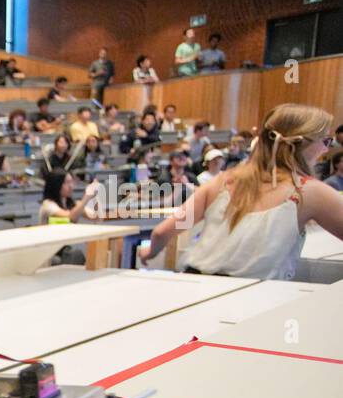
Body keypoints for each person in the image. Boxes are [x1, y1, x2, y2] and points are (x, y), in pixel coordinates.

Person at [142, 104, 343, 277]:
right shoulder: (308, 191)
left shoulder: (223, 180)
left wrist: (149, 253)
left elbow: (161, 232)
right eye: (325, 142)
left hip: (194, 280)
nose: (327, 150)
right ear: (301, 145)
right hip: (248, 296)